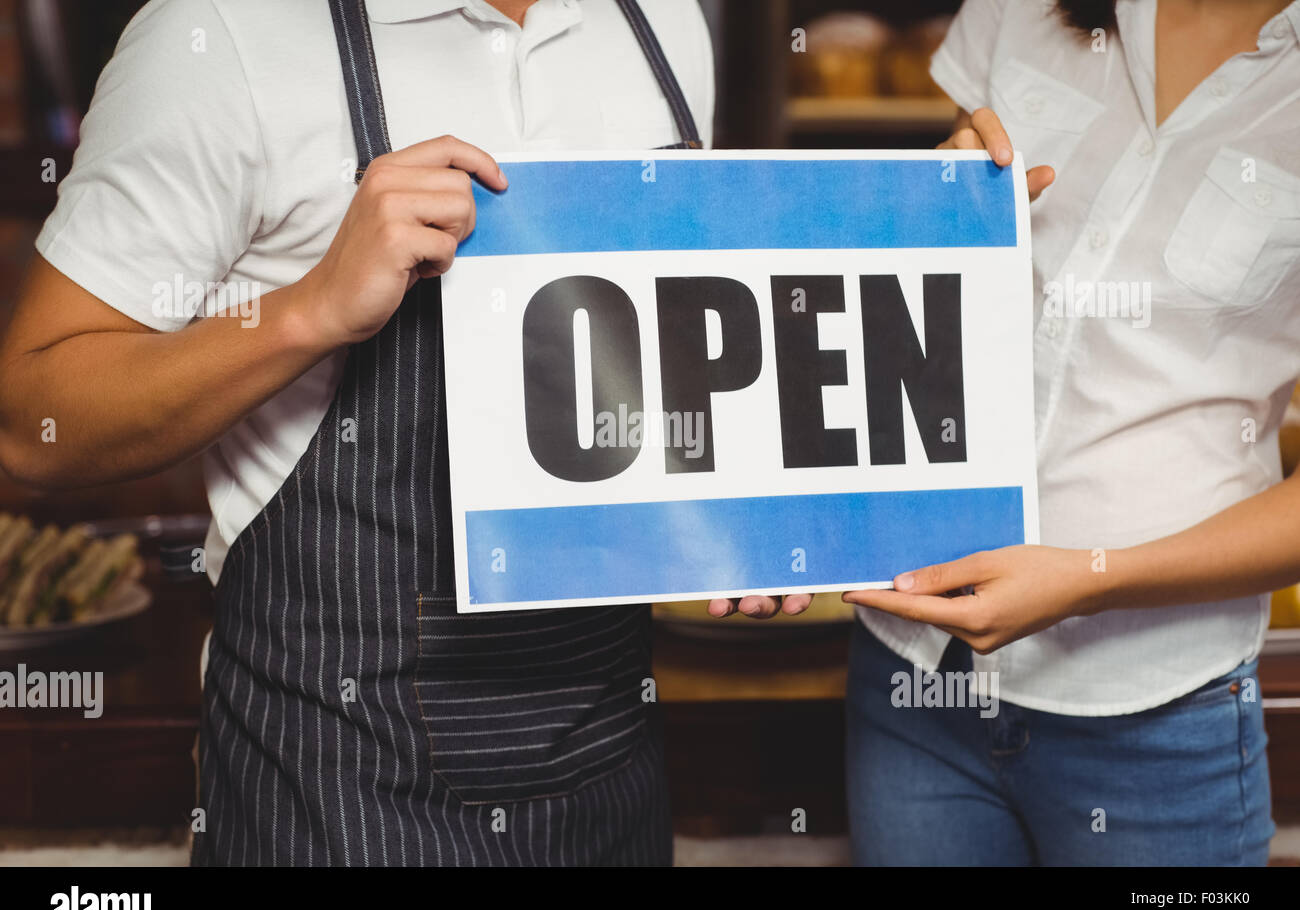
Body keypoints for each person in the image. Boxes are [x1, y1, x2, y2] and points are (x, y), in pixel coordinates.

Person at [0, 0, 714, 866]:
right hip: (332, 798)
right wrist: (313, 308)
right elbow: (31, 419)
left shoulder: (664, 22)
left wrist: (733, 530)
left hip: (614, 788)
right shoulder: (220, 33)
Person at [717, 0, 1299, 866]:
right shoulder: (1022, 6)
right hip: (913, 671)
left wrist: (1090, 579)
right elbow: (916, 305)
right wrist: (933, 205)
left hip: (1157, 715)